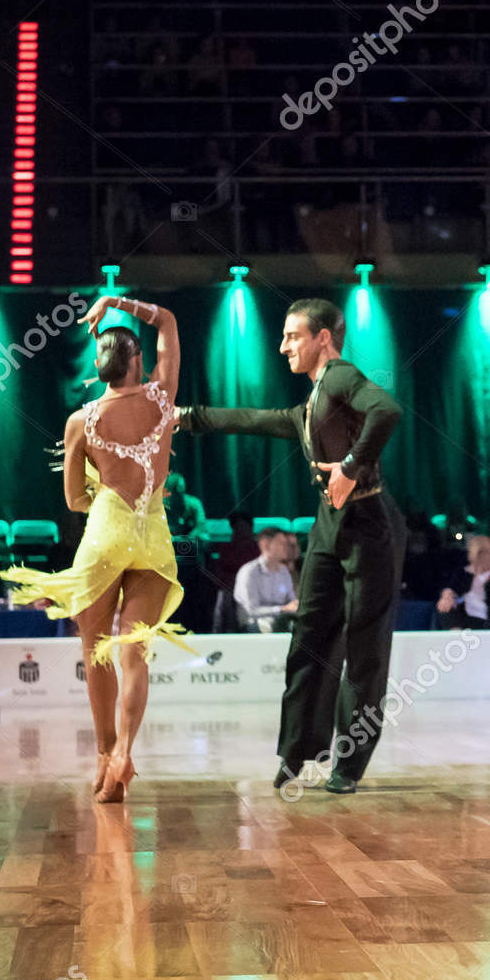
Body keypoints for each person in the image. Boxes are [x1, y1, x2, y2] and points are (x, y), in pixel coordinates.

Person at [177, 298, 405, 796]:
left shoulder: (340, 376)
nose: (283, 347)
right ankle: (296, 754)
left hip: (370, 523)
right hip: (330, 525)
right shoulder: (311, 403)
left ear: (323, 338)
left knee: (364, 651)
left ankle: (349, 763)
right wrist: (187, 416)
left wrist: (350, 466)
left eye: (293, 336)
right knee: (309, 641)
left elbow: (386, 410)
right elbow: (256, 419)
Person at [0, 297, 187, 803]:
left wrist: (104, 492)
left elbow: (73, 499)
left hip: (105, 536)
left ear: (101, 367)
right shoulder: (163, 398)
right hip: (152, 535)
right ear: (138, 362)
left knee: (95, 652)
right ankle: (125, 752)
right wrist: (118, 302)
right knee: (134, 654)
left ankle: (104, 756)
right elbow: (167, 319)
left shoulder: (80, 421)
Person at [234, 528, 299, 632]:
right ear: (265, 545)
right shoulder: (249, 571)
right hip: (253, 624)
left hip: (280, 621)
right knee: (275, 626)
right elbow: (251, 610)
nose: (286, 548)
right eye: (281, 543)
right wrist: (282, 609)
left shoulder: (284, 571)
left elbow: (291, 600)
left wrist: (296, 605)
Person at [162, 471, 206, 540]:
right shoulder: (164, 506)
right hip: (173, 541)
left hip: (193, 541)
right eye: (174, 491)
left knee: (203, 537)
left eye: (180, 490)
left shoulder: (194, 504)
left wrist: (185, 539)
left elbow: (200, 526)